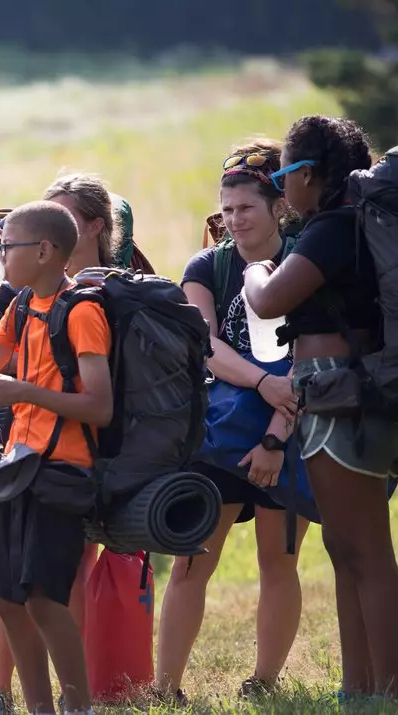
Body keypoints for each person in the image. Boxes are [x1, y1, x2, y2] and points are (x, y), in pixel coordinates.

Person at [244, 116, 398, 701]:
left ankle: (386, 690)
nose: (281, 189)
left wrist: (257, 266)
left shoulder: (332, 227)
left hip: (338, 390)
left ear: (308, 173)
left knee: (365, 550)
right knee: (347, 546)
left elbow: (270, 299)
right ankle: (361, 690)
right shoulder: (356, 223)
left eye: (283, 175)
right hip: (356, 388)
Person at [154, 140, 310, 704]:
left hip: (288, 430)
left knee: (279, 559)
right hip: (219, 434)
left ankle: (264, 682)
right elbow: (204, 344)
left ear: (277, 207)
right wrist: (263, 382)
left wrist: (275, 435)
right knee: (192, 561)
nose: (234, 220)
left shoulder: (303, 260)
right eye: (226, 209)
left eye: (246, 208)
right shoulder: (207, 265)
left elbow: (307, 364)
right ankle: (165, 687)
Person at [0, 200, 111, 715]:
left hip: (62, 470)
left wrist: (23, 391)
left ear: (43, 251)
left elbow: (99, 406)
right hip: (16, 467)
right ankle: (40, 708)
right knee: (7, 596)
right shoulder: (20, 308)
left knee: (42, 598)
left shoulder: (82, 312)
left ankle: (76, 706)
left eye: (6, 247)